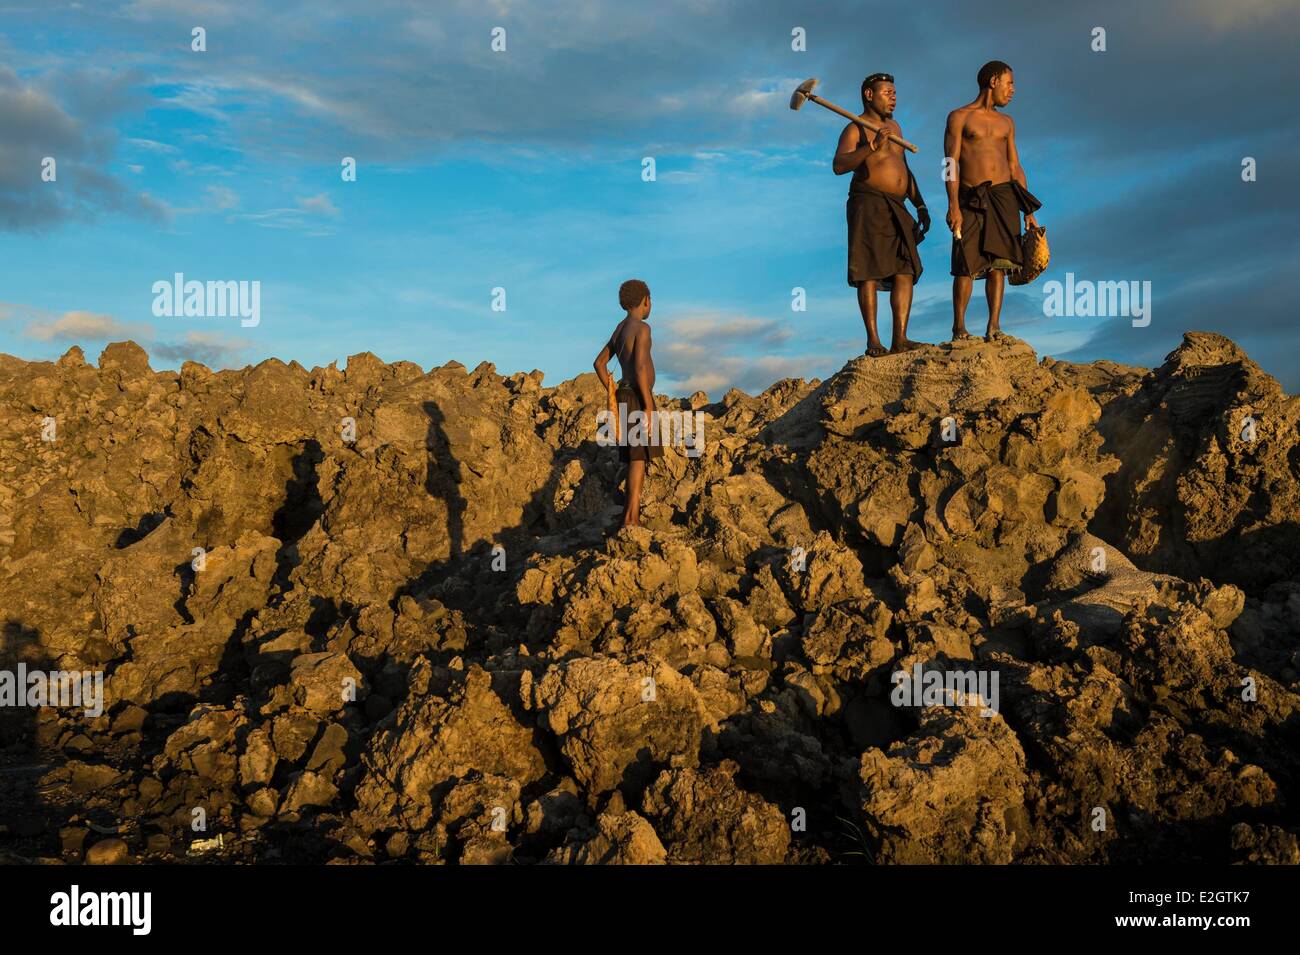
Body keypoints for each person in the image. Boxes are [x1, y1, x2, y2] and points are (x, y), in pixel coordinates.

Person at [944, 60, 1042, 342]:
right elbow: (950, 162)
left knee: (1000, 263)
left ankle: (994, 326)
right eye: (1009, 83)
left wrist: (1028, 211)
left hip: (1004, 197)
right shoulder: (959, 117)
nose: (1013, 90)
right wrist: (953, 204)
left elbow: (1015, 165)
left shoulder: (1007, 123)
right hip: (970, 195)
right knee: (965, 262)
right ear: (993, 81)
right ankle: (959, 327)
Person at [834, 71, 930, 357]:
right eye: (887, 93)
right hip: (869, 203)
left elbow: (904, 169)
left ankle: (900, 338)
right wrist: (871, 147)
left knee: (905, 269)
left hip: (898, 205)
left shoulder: (896, 128)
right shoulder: (856, 129)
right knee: (869, 272)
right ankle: (874, 341)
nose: (893, 98)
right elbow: (839, 165)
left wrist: (920, 204)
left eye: (895, 93)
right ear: (868, 95)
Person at [593, 279, 662, 528]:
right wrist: (648, 405)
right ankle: (631, 519)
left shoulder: (620, 329)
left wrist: (612, 391)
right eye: (651, 300)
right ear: (646, 301)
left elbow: (599, 363)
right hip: (636, 396)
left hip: (624, 395)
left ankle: (629, 517)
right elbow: (641, 367)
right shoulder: (642, 329)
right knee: (638, 460)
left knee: (635, 458)